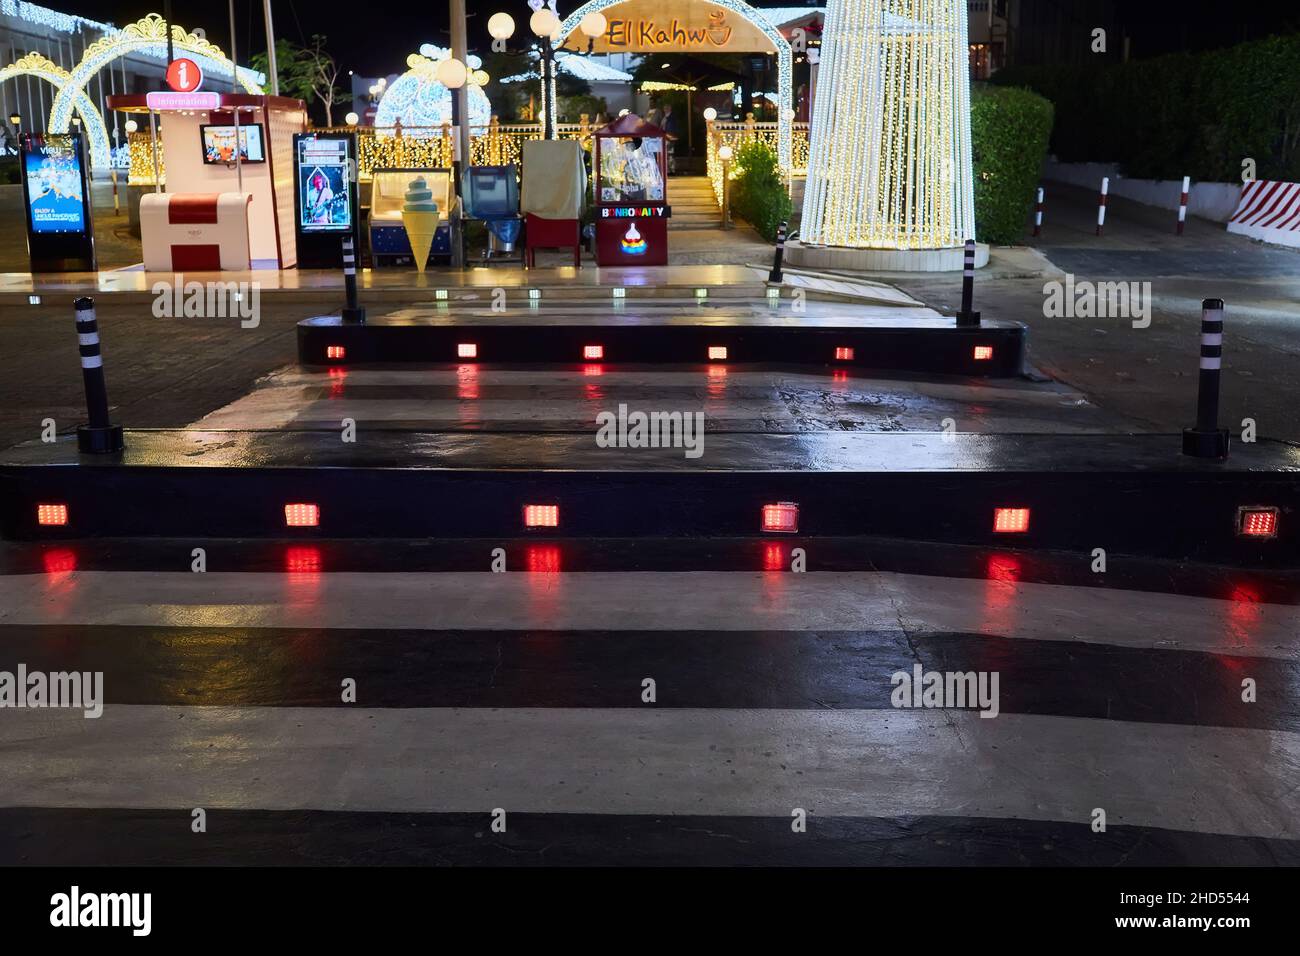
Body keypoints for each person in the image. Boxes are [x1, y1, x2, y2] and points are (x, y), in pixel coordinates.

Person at [659, 103, 679, 174]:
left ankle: (671, 170)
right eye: (664, 108)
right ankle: (668, 170)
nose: (665, 110)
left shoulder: (671, 117)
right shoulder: (665, 117)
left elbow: (672, 127)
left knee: (670, 154)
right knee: (667, 154)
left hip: (670, 138)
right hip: (666, 137)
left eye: (666, 108)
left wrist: (670, 135)